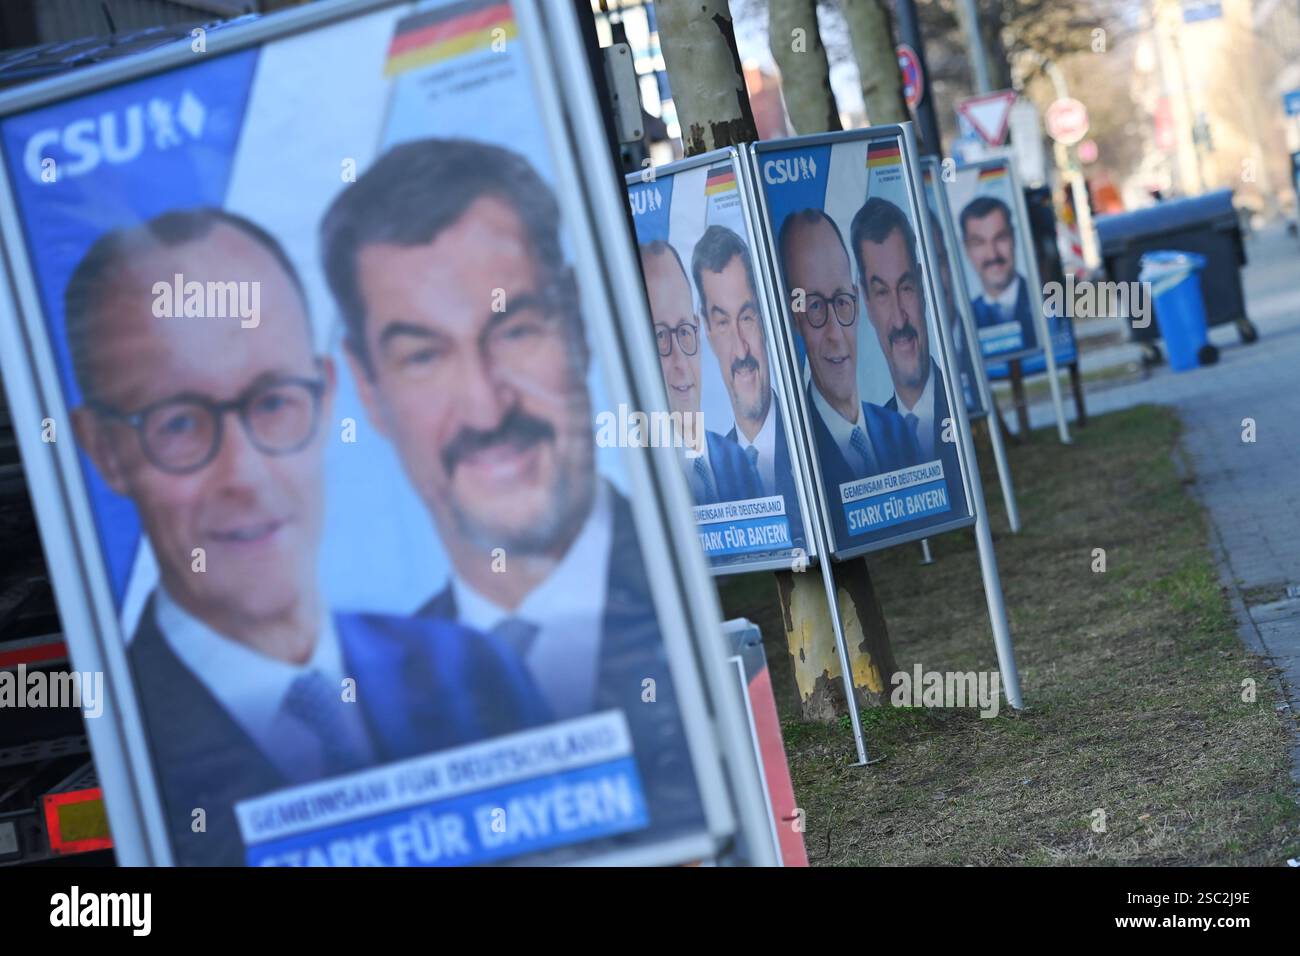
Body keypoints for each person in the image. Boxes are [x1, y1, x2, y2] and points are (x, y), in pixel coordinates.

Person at [66, 208, 548, 866]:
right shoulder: (114, 744)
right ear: (106, 451)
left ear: (324, 399)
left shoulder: (475, 671)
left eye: (272, 402)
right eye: (180, 422)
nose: (244, 474)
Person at [319, 138, 705, 839]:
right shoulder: (353, 707)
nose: (486, 408)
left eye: (515, 329)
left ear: (580, 325)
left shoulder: (688, 605)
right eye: (424, 355)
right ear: (367, 387)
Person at [778, 208, 919, 542]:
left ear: (857, 301)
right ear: (792, 316)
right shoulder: (790, 451)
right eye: (814, 307)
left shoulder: (898, 429)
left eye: (841, 302)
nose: (835, 332)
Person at [690, 224, 804, 546]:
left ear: (765, 317)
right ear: (707, 330)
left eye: (747, 317)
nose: (741, 350)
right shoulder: (710, 475)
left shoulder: (812, 440)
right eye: (724, 322)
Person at [849, 197, 964, 500]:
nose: (900, 318)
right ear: (866, 301)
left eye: (906, 286)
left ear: (923, 285)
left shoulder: (959, 404)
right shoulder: (865, 439)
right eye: (882, 293)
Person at [639, 238, 762, 507]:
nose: (680, 361)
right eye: (660, 337)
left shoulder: (738, 461)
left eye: (684, 332)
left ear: (698, 327)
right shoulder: (639, 483)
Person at [959, 195, 1037, 353]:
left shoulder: (1046, 302)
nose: (992, 255)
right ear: (966, 249)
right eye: (979, 243)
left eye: (1000, 238)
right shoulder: (965, 320)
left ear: (1013, 238)